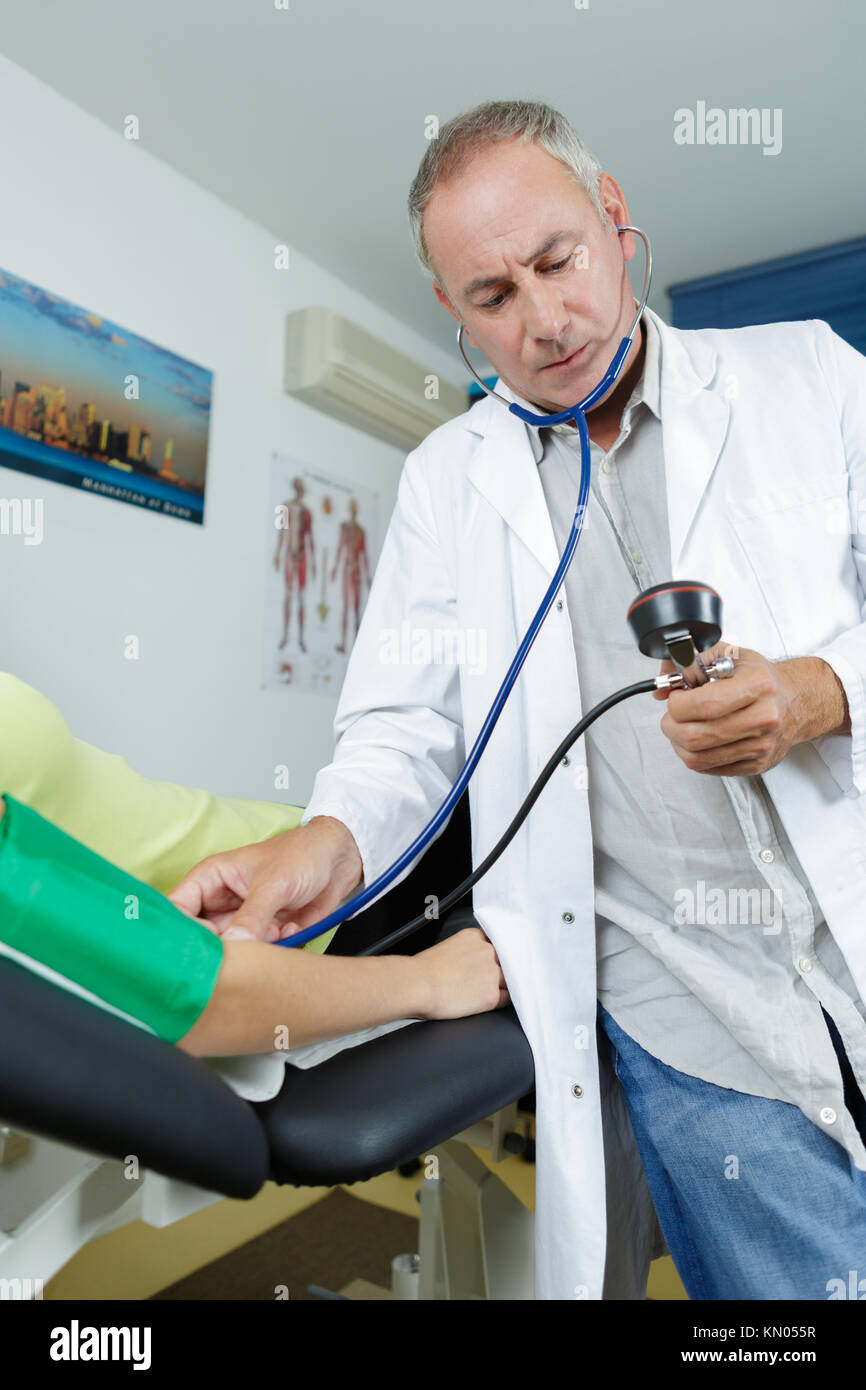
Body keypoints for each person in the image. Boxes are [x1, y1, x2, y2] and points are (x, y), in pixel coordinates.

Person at [169, 100, 866, 1300]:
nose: (544, 320)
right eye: (491, 296)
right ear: (451, 312)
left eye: (557, 261)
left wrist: (819, 690)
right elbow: (405, 727)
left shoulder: (804, 373)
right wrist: (325, 841)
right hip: (678, 998)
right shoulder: (447, 481)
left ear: (615, 223)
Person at [0, 673, 508, 1064]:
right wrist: (429, 982)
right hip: (315, 943)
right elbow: (194, 988)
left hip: (306, 849)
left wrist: (327, 837)